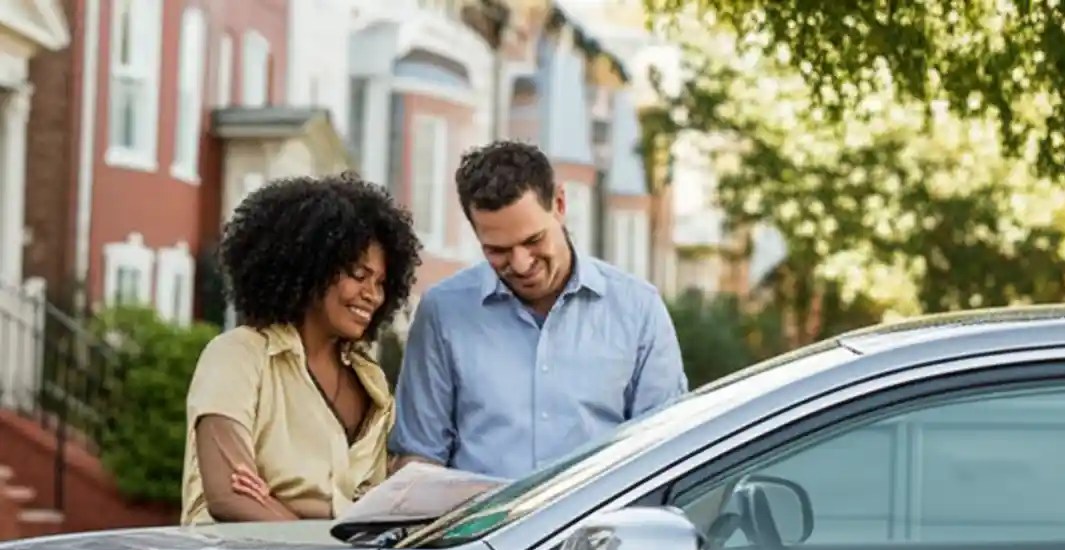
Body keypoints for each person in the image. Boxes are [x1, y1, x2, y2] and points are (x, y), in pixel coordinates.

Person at [388, 140, 688, 479]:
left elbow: (663, 455)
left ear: (559, 204)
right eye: (497, 250)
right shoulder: (443, 313)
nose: (520, 263)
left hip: (603, 529)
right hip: (481, 531)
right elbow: (420, 458)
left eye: (533, 241)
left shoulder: (638, 310)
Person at [179, 173, 422, 525]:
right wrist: (326, 546)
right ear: (311, 267)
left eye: (381, 282)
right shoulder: (239, 355)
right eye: (358, 274)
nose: (373, 294)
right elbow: (229, 495)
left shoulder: (371, 382)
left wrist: (274, 505)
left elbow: (371, 510)